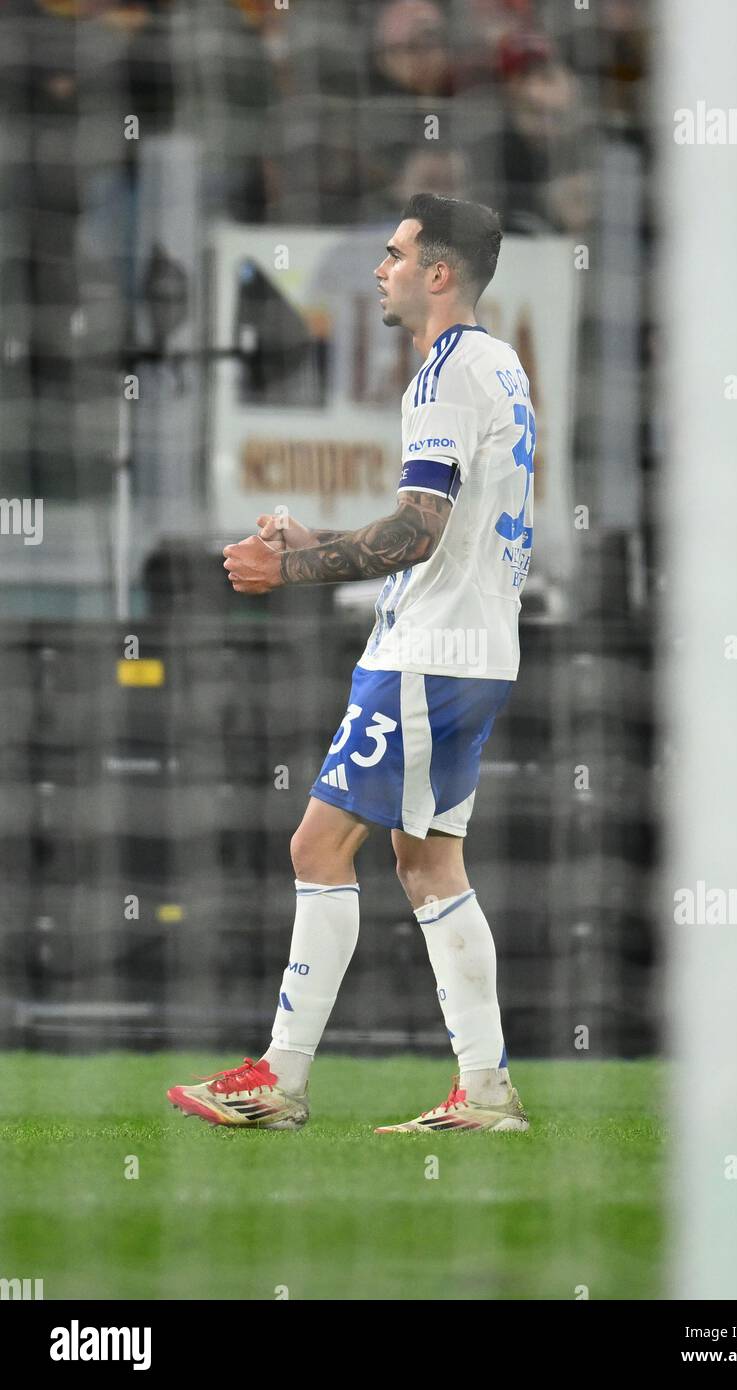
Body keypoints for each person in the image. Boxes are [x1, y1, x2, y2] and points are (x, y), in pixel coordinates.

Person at [167, 193, 535, 1132]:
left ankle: (280, 1082)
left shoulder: (445, 375)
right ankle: (485, 1090)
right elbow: (440, 534)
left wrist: (288, 566)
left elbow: (419, 532)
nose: (381, 269)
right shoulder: (498, 364)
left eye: (395, 253)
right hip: (475, 647)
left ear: (438, 273)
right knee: (428, 864)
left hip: (425, 654)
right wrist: (320, 534)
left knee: (316, 847)